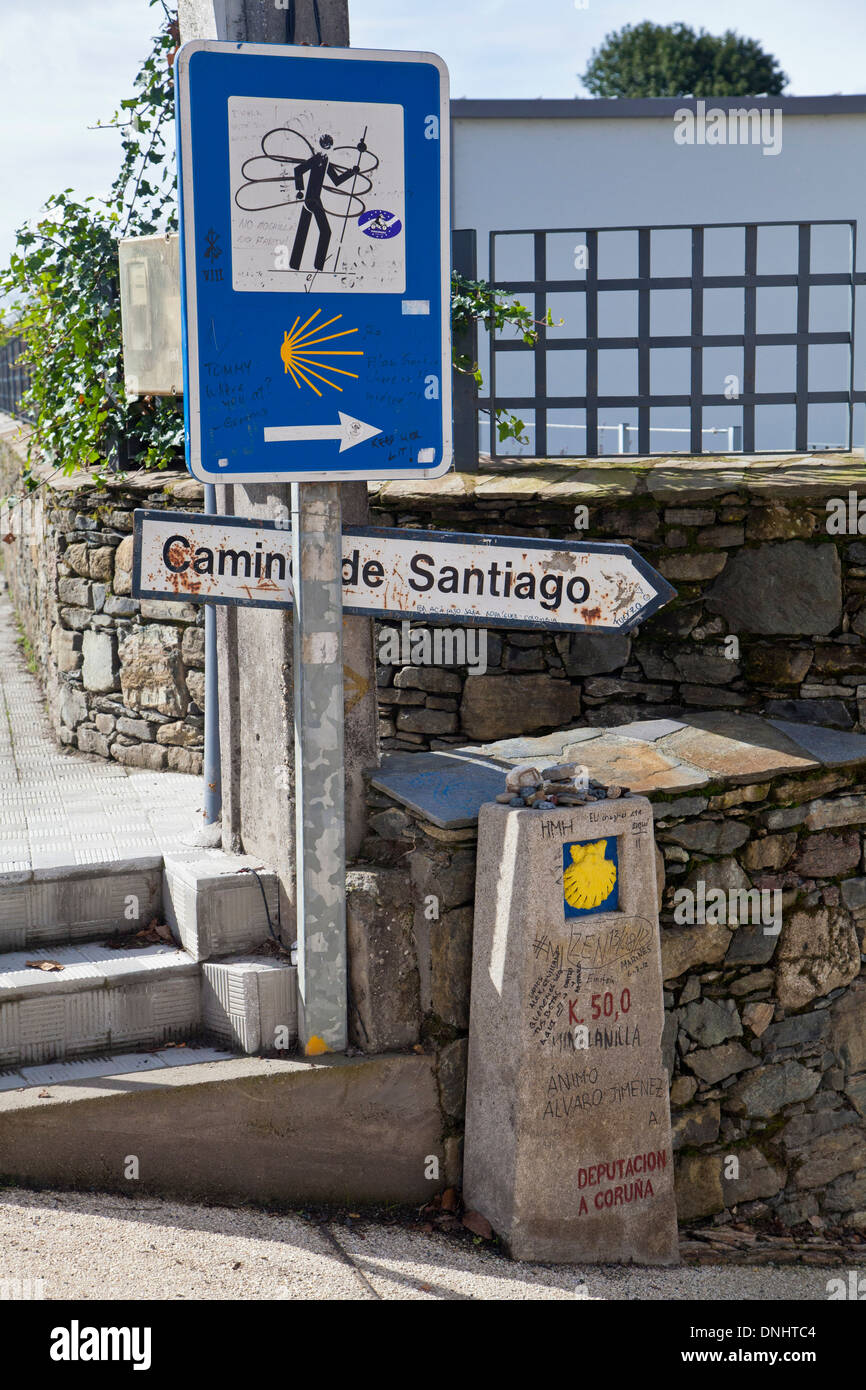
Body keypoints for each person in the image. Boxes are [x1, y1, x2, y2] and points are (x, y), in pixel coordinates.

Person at [289, 134, 360, 272]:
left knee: (306, 230)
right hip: (311, 199)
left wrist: (352, 172)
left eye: (329, 146)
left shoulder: (325, 160)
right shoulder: (316, 159)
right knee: (324, 231)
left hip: (315, 199)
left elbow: (336, 180)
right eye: (325, 145)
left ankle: (300, 265)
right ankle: (314, 266)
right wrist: (300, 190)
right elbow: (298, 170)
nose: (327, 148)